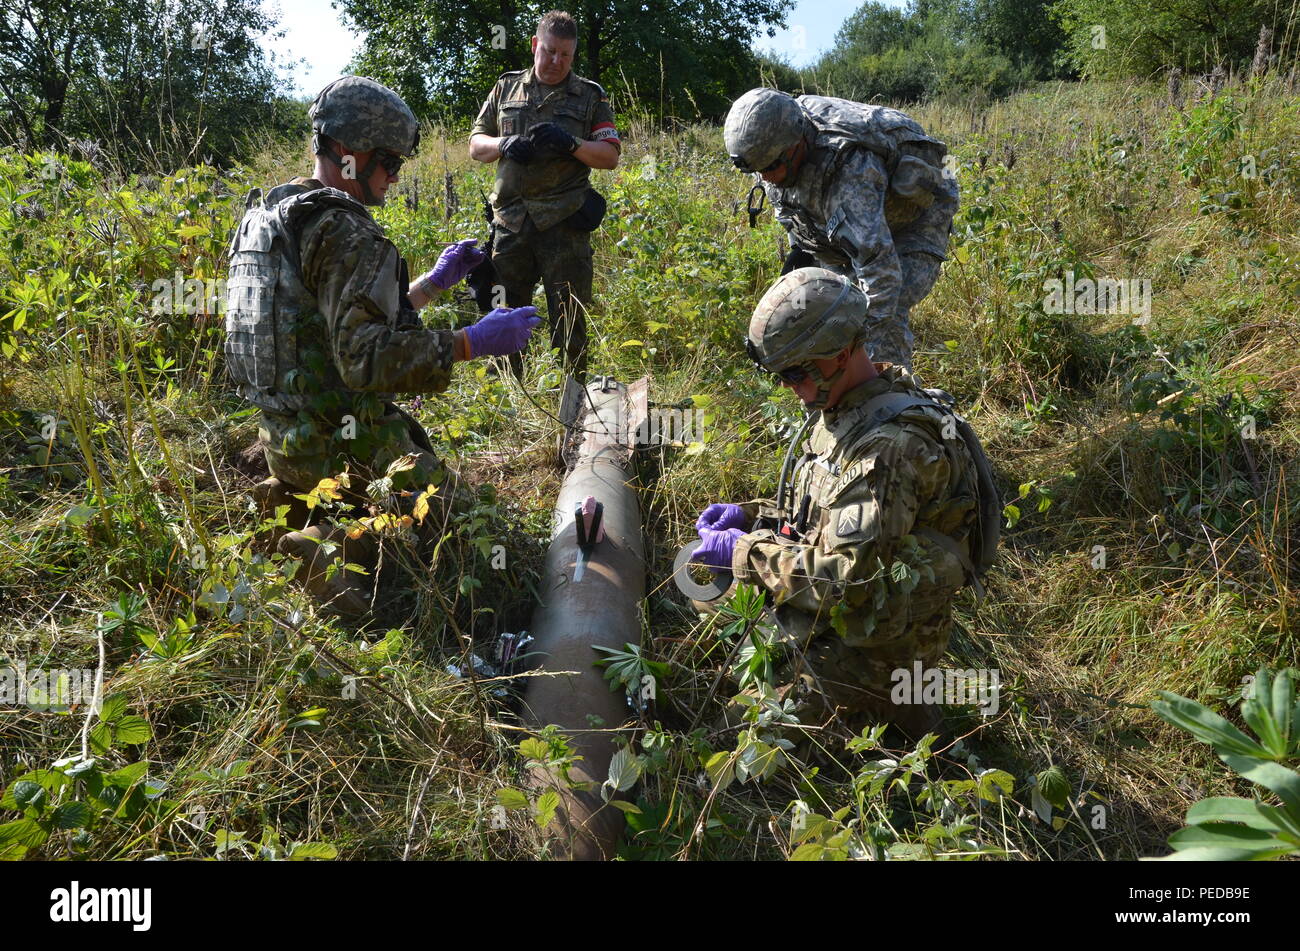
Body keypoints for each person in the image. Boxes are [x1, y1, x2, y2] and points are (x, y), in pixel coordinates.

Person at [224, 75, 542, 616]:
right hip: (344, 442)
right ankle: (340, 549)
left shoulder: (270, 217)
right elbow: (365, 360)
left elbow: (328, 332)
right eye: (390, 161)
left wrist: (433, 285)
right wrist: (471, 342)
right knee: (468, 533)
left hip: (282, 437)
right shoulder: (347, 233)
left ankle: (291, 503)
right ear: (349, 154)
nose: (395, 176)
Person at [691, 267, 983, 738]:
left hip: (876, 648)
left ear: (841, 354)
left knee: (732, 748)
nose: (788, 386)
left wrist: (746, 553)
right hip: (846, 620)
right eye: (778, 375)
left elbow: (849, 583)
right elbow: (829, 512)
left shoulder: (889, 449)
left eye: (794, 372)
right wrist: (750, 516)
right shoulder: (848, 405)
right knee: (704, 614)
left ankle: (898, 713)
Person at [723, 88, 959, 372]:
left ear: (796, 145)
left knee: (882, 317)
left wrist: (851, 342)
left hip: (915, 216)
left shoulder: (850, 168)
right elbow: (797, 214)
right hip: (860, 220)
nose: (765, 178)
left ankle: (893, 403)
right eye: (757, 170)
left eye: (771, 166)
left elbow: (881, 277)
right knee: (828, 311)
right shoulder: (775, 143)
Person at [468, 9, 621, 380]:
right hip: (511, 224)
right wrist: (504, 143)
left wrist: (571, 143)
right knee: (502, 315)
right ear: (536, 45)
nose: (557, 61)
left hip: (563, 225)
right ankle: (506, 401)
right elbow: (475, 144)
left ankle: (572, 400)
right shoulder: (506, 88)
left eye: (565, 55)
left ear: (574, 54)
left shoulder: (589, 97)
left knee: (570, 322)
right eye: (550, 52)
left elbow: (610, 155)